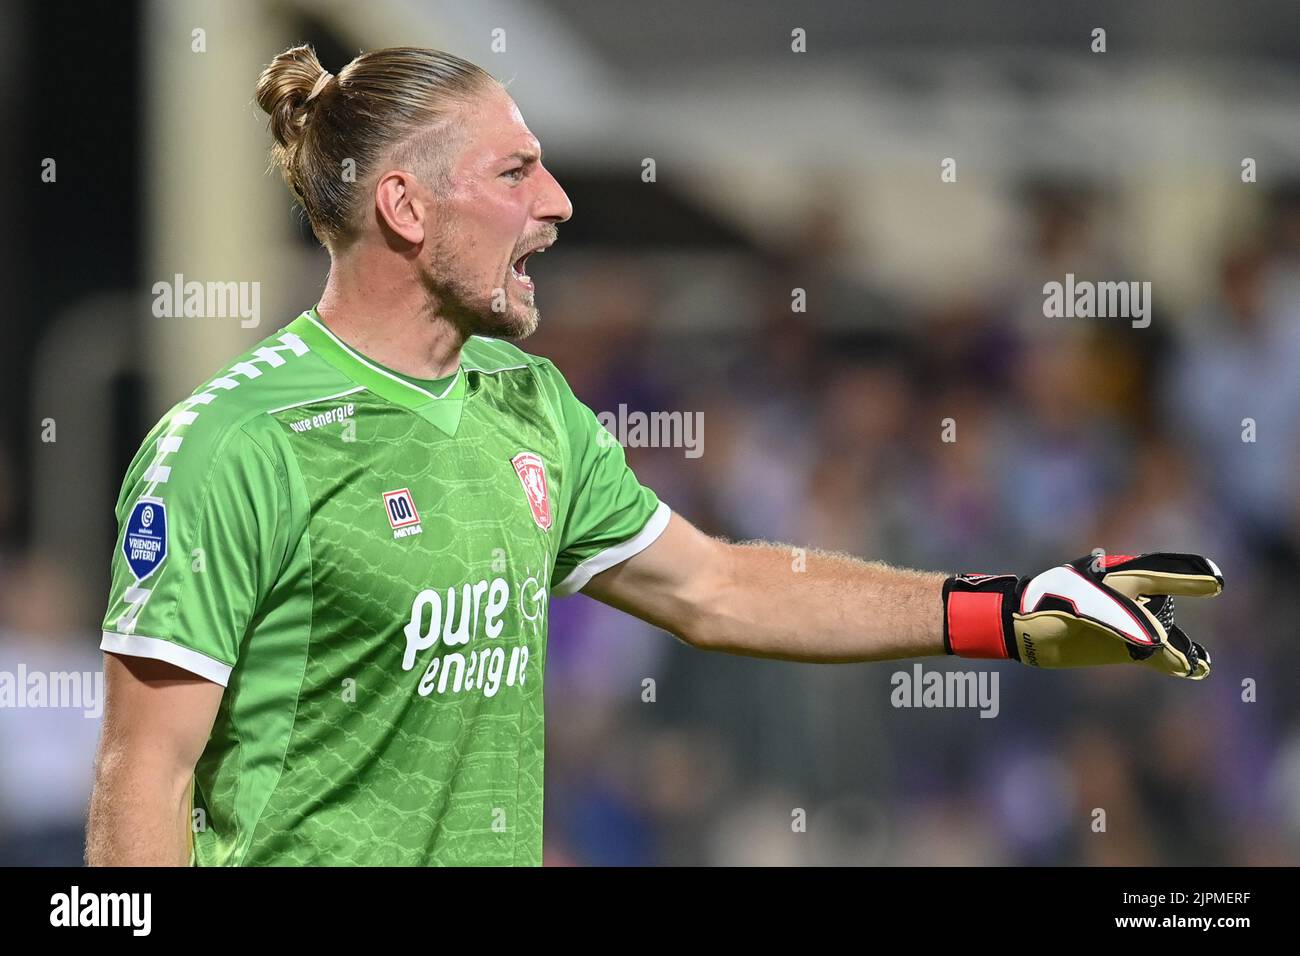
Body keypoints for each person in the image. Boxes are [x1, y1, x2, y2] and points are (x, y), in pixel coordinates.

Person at [85, 45, 1224, 866]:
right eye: (514, 173)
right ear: (406, 206)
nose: (560, 202)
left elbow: (715, 585)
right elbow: (143, 777)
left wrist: (1001, 610)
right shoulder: (234, 445)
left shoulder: (526, 402)